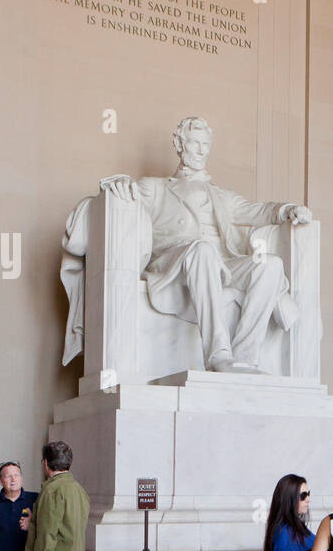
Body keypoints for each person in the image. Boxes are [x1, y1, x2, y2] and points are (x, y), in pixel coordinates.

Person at [97, 115, 312, 373]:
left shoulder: (222, 196)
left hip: (220, 264)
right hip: (176, 262)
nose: (201, 150)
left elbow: (258, 211)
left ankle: (244, 357)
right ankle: (218, 354)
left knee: (270, 265)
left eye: (205, 144)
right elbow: (121, 190)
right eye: (194, 143)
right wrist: (118, 184)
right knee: (202, 249)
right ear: (178, 144)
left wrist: (288, 210)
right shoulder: (156, 188)